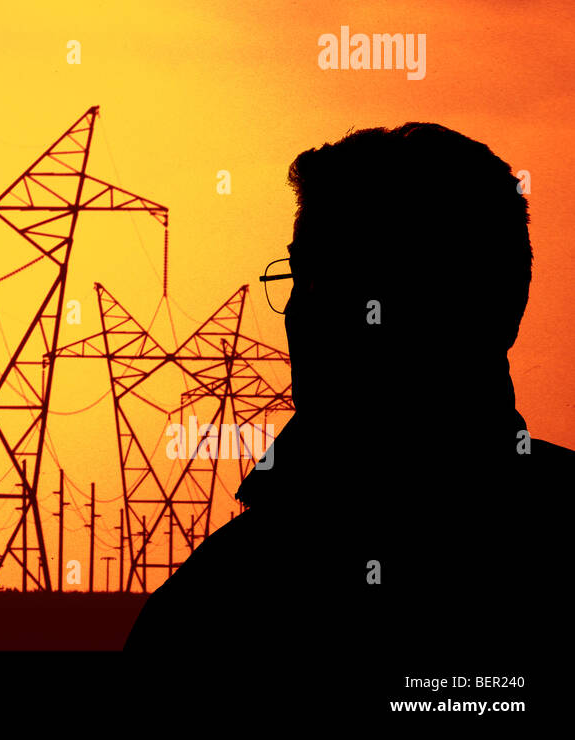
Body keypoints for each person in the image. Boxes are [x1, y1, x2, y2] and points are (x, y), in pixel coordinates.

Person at [124, 124, 573, 712]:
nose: (301, 310)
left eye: (339, 277)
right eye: (300, 276)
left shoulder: (220, 611)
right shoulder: (215, 603)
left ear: (475, 299)